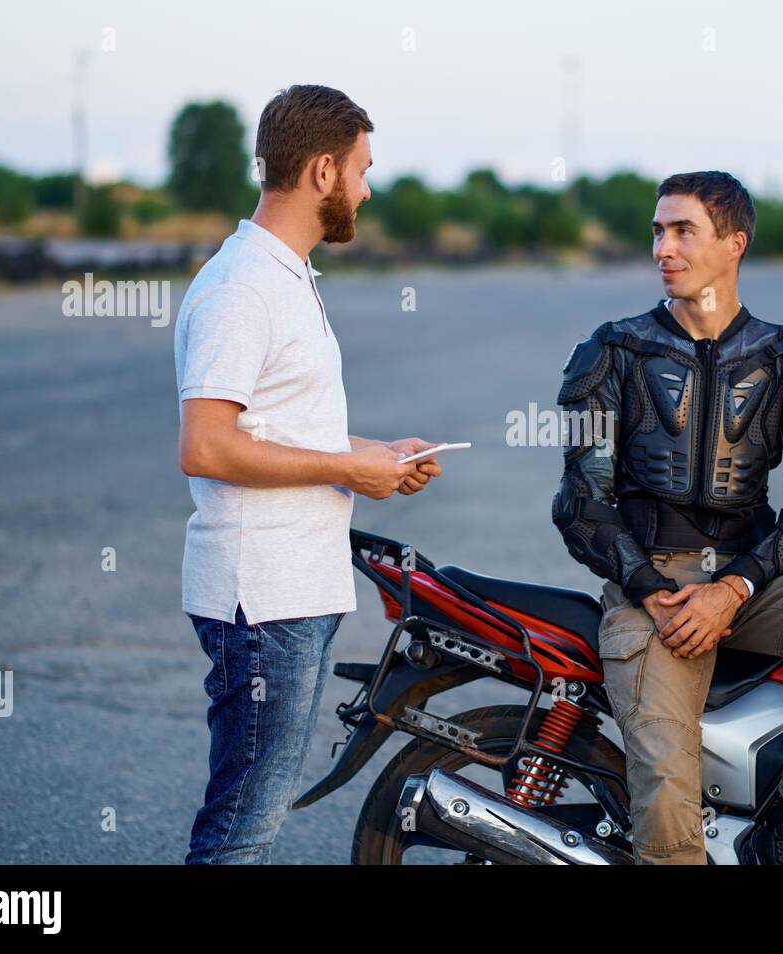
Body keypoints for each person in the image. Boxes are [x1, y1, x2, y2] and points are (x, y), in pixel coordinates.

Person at [551, 171, 783, 864]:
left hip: (748, 583)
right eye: (658, 231)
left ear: (734, 244)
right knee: (667, 805)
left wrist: (732, 588)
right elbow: (581, 504)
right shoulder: (613, 351)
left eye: (683, 231)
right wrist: (653, 591)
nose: (663, 248)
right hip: (650, 593)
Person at [174, 84, 442, 863]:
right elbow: (206, 446)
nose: (368, 186)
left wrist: (378, 456)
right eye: (362, 168)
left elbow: (281, 430)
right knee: (241, 829)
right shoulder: (241, 288)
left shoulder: (283, 277)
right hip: (261, 599)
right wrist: (344, 469)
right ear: (322, 171)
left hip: (291, 592)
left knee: (249, 818)